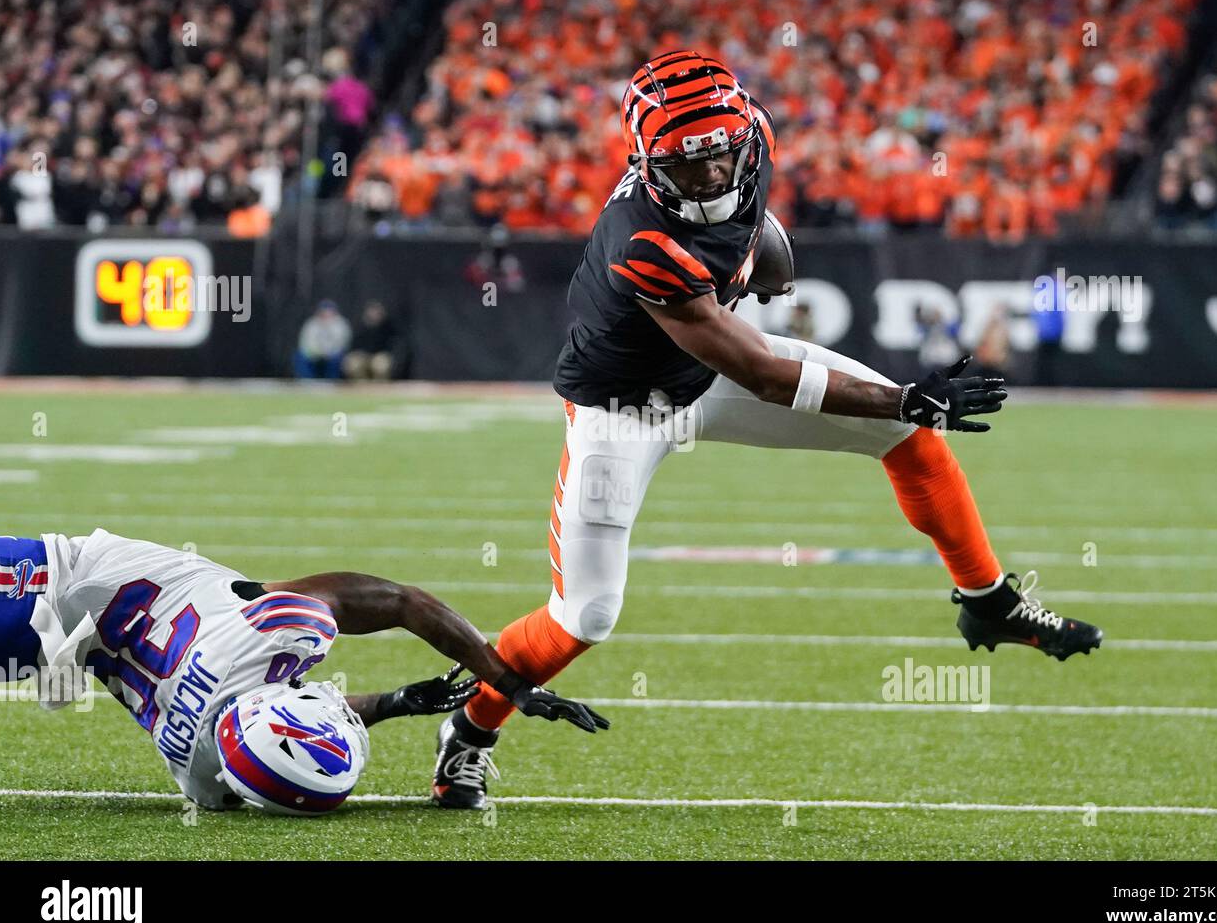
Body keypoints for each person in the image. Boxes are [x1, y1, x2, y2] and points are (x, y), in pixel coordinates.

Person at [430, 51, 1103, 810]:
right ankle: (470, 729)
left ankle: (989, 600)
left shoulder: (753, 143)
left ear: (746, 134)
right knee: (584, 615)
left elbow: (753, 226)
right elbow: (764, 375)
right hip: (627, 409)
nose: (713, 175)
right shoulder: (643, 241)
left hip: (705, 366)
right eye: (689, 167)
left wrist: (768, 261)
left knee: (911, 443)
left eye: (722, 155)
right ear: (648, 166)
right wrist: (906, 396)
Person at [0, 530, 606, 816]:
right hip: (63, 639)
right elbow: (267, 729)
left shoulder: (277, 630)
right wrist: (393, 702)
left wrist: (509, 682)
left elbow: (403, 602)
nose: (338, 701)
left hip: (58, 584)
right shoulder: (206, 777)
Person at [343, 300, 401, 382]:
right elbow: (354, 344)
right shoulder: (361, 326)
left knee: (380, 364)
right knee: (353, 362)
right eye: (371, 311)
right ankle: (360, 386)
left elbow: (393, 344)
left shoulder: (388, 327)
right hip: (363, 355)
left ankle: (379, 386)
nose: (373, 314)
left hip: (380, 355)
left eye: (376, 311)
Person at [295, 300, 352, 379]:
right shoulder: (312, 323)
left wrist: (328, 352)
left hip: (332, 353)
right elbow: (306, 342)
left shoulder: (341, 324)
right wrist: (316, 351)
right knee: (300, 356)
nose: (326, 313)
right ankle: (307, 380)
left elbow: (342, 343)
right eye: (324, 311)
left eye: (329, 311)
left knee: (337, 358)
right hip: (315, 353)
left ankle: (331, 380)